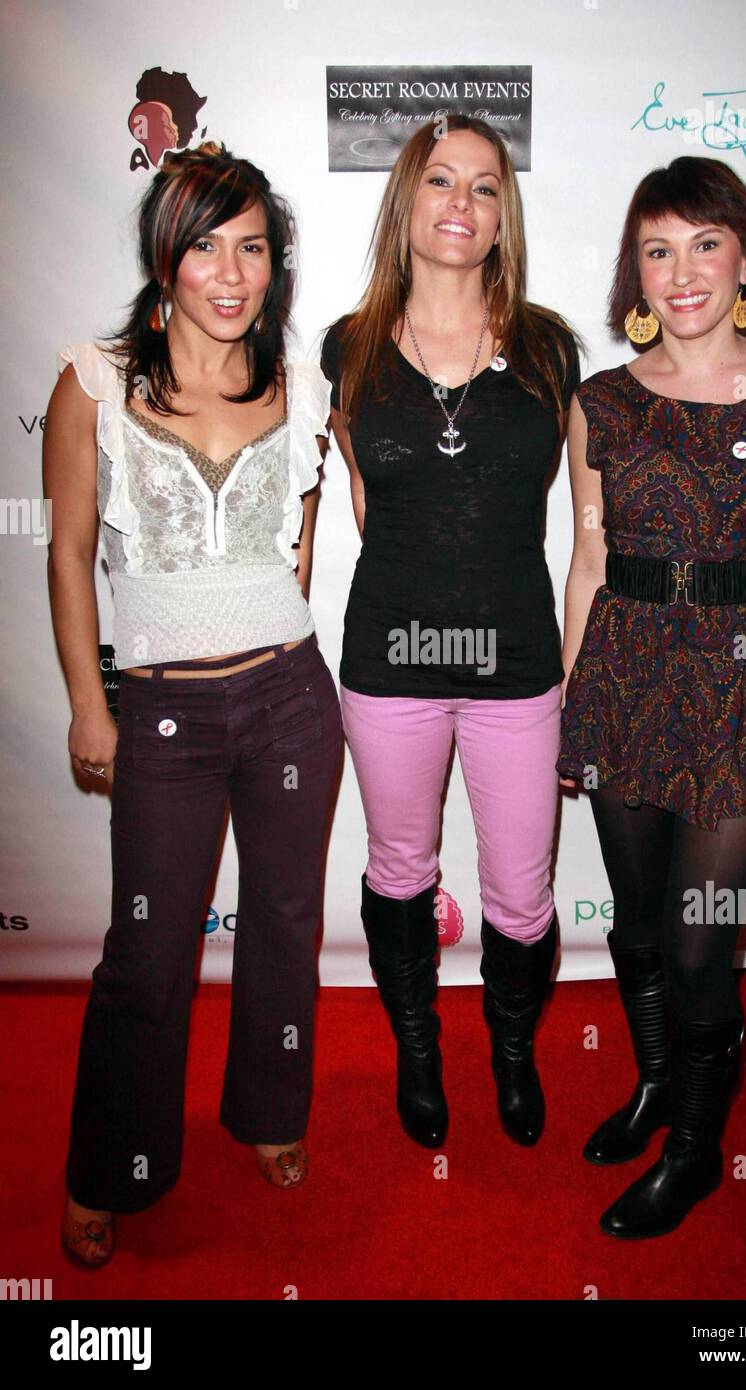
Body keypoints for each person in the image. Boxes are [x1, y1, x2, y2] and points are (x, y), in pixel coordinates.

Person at [43, 142, 342, 1267]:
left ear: (276, 263)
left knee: (281, 922)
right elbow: (68, 556)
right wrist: (91, 702)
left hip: (289, 699)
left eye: (252, 246)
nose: (230, 271)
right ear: (163, 255)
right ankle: (113, 1163)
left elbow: (300, 545)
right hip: (161, 708)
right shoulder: (92, 381)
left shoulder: (300, 381)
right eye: (205, 244)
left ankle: (268, 1110)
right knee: (147, 947)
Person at [557, 155, 746, 1238]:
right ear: (635, 274)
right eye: (655, 249)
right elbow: (586, 564)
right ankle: (649, 1084)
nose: (679, 272)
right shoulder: (598, 401)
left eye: (701, 243)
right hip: (624, 677)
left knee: (696, 946)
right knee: (635, 929)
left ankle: (692, 1150)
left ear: (742, 260)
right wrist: (571, 699)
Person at [320, 115, 583, 1150]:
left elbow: (588, 529)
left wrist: (573, 666)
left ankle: (509, 1053)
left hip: (517, 665)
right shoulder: (347, 346)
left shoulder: (549, 346)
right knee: (400, 870)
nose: (460, 204)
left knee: (521, 898)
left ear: (501, 213)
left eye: (482, 186)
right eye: (439, 181)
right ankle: (418, 1050)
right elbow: (363, 506)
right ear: (405, 200)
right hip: (389, 661)